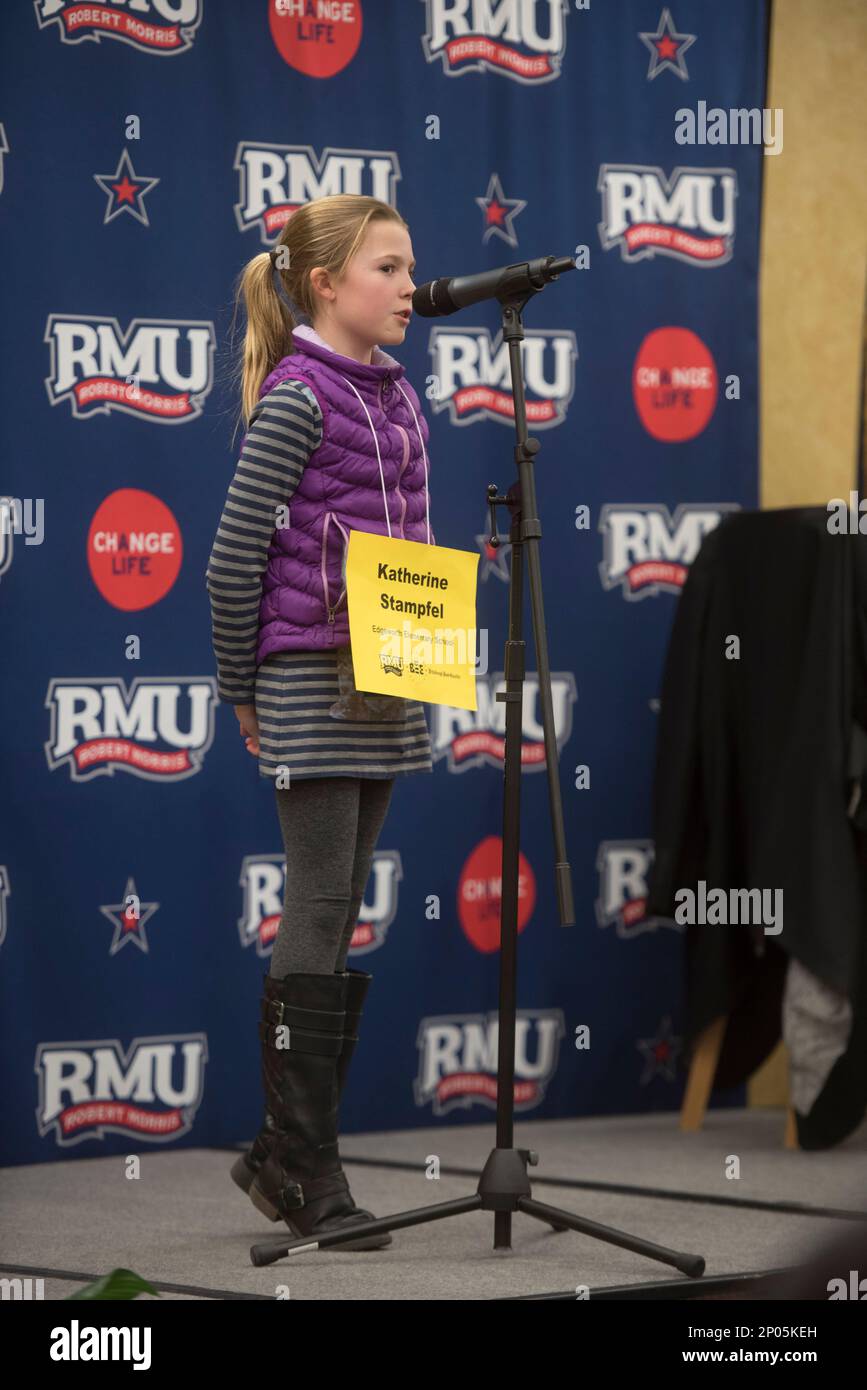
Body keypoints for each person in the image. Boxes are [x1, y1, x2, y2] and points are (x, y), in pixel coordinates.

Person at [205, 194, 436, 1251]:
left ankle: (280, 1151)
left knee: (342, 912)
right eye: (387, 269)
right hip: (309, 682)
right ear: (327, 284)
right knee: (322, 899)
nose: (407, 288)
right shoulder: (300, 397)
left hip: (384, 682)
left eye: (409, 267)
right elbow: (231, 559)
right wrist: (242, 691)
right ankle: (312, 1170)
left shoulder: (398, 398)